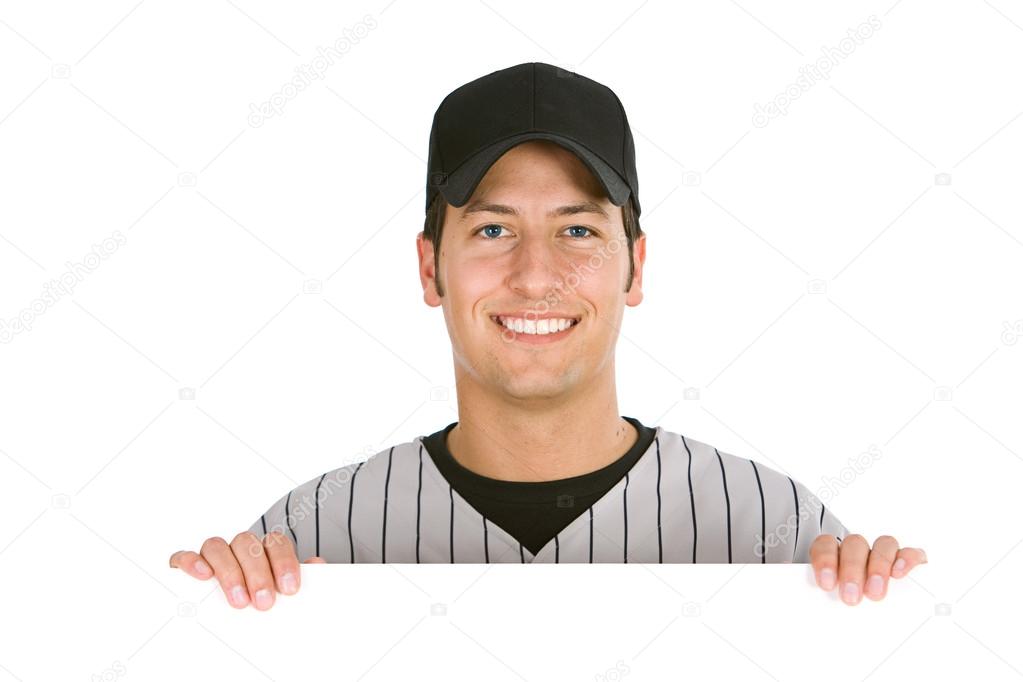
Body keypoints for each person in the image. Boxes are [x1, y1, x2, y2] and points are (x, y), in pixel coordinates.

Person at [169, 62, 926, 610]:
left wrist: (885, 610)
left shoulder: (767, 527)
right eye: (493, 228)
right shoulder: (314, 534)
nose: (536, 276)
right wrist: (208, 603)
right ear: (431, 269)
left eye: (577, 229)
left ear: (632, 267)